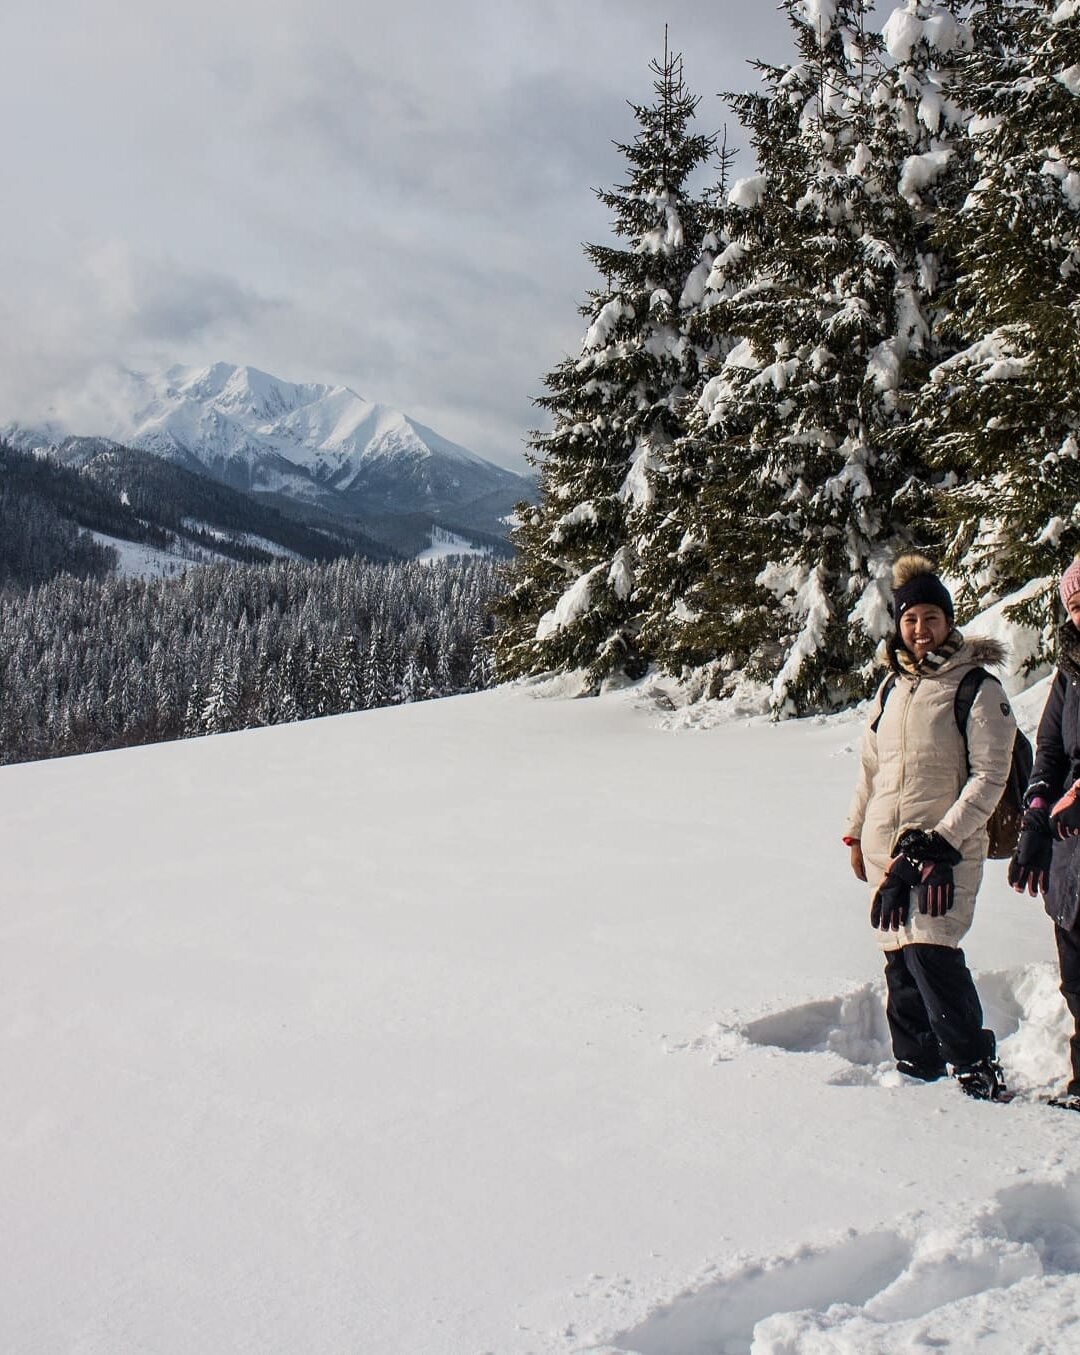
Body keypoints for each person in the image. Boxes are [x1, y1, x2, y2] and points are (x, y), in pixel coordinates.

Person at [844, 554, 1017, 1099]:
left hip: (946, 851)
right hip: (885, 853)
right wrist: (855, 833)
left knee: (932, 954)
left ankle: (975, 1070)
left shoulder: (975, 687)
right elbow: (871, 769)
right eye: (911, 619)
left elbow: (991, 775)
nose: (921, 631)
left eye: (932, 619)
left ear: (949, 621)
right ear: (899, 624)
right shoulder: (890, 689)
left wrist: (943, 839)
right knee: (899, 962)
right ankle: (918, 1079)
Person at [1008, 553, 1080, 1111]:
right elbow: (1049, 751)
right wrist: (1035, 815)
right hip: (1070, 854)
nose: (1079, 611)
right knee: (1076, 975)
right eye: (1074, 603)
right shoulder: (1070, 669)